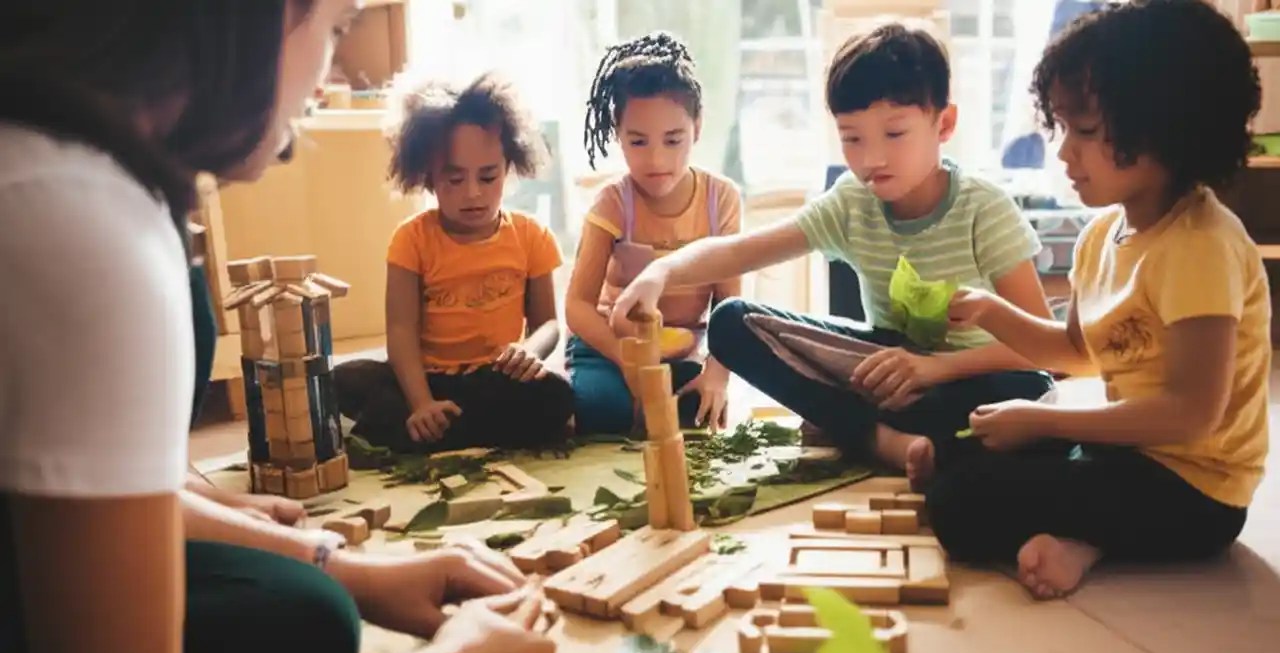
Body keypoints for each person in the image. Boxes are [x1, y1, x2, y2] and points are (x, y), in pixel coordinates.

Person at [0, 2, 554, 653]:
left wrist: (347, 565)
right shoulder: (80, 222)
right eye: (331, 31)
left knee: (310, 603)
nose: (331, 73)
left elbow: (133, 489)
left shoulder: (75, 169)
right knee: (305, 620)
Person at [931, 0, 1268, 599]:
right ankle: (1086, 542)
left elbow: (1193, 411)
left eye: (1085, 131)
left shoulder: (1200, 245)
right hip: (1128, 453)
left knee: (959, 506)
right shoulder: (1099, 237)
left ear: (1167, 127)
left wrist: (1043, 420)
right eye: (1062, 127)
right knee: (962, 453)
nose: (1065, 153)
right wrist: (990, 309)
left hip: (1197, 490)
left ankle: (1090, 539)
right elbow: (1075, 352)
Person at [611, 24, 1055, 472]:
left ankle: (854, 427)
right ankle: (886, 442)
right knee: (730, 324)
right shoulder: (851, 201)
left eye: (895, 134)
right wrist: (659, 273)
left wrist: (935, 370)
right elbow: (738, 251)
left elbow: (1043, 347)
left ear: (944, 124)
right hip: (885, 376)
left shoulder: (984, 208)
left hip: (976, 378)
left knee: (1025, 402)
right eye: (851, 138)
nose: (871, 159)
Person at [333, 73, 574, 454]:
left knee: (558, 395)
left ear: (509, 167)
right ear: (427, 178)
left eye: (488, 176)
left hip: (496, 379)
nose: (473, 193)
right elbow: (400, 332)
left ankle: (435, 433)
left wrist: (531, 350)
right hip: (428, 382)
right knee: (342, 381)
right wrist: (421, 403)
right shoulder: (411, 239)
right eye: (454, 178)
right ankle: (442, 425)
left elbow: (547, 322)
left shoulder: (532, 236)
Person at [565, 31, 743, 434]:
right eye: (638, 141)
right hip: (607, 348)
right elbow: (577, 306)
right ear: (617, 134)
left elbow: (729, 308)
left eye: (673, 140)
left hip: (682, 350)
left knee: (693, 415)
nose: (656, 158)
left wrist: (717, 373)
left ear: (697, 127)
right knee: (601, 413)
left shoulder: (722, 199)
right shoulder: (612, 202)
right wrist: (626, 358)